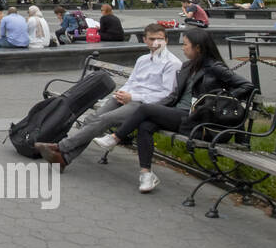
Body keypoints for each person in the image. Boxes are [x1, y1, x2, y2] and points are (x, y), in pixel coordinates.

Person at [93, 28, 252, 193]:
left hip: (198, 122)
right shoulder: (188, 66)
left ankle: (115, 137)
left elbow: (247, 86)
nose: (182, 48)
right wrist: (159, 107)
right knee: (145, 124)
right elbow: (174, 96)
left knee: (145, 109)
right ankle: (146, 175)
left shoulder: (214, 67)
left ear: (198, 47)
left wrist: (218, 100)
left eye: (185, 44)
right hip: (181, 115)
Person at [36, 23, 180, 172]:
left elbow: (166, 94)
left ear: (166, 40)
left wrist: (132, 97)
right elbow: (132, 82)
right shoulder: (142, 60)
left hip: (144, 105)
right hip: (126, 97)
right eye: (152, 39)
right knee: (92, 119)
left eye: (160, 39)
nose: (156, 43)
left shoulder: (172, 63)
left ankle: (61, 147)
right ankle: (64, 159)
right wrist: (122, 93)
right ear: (144, 39)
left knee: (105, 119)